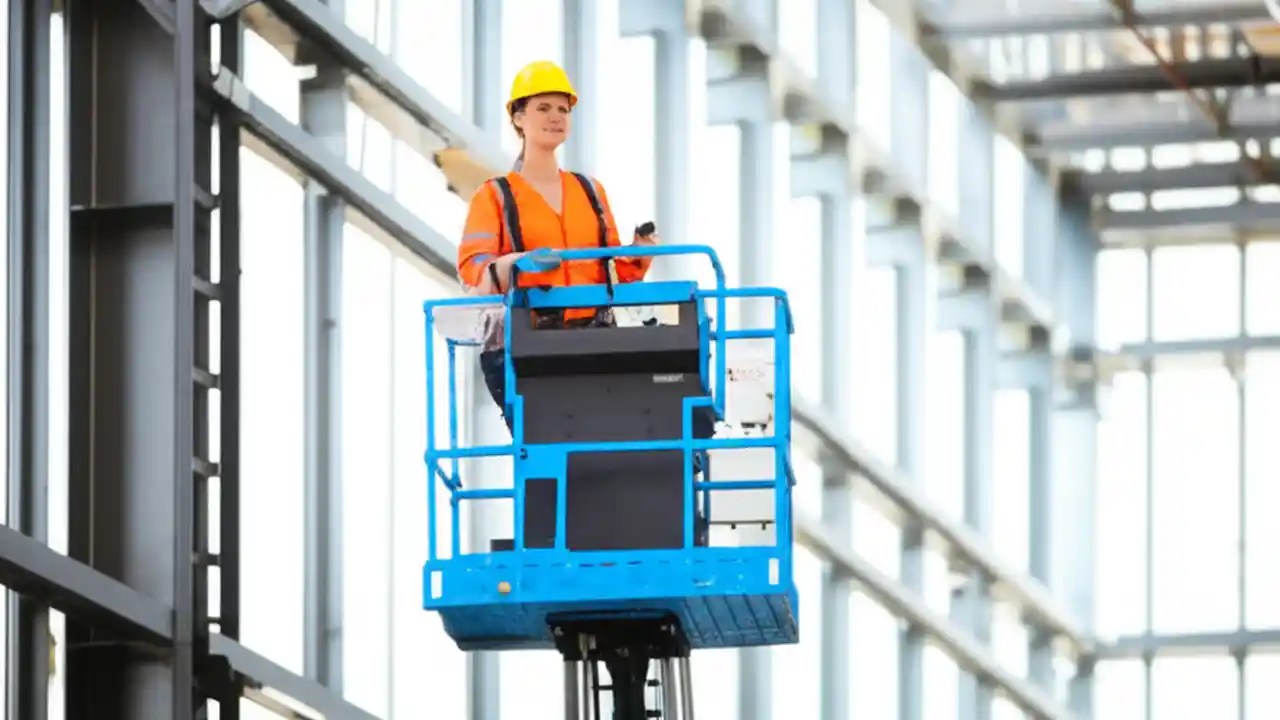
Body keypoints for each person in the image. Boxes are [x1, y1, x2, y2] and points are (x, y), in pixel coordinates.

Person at [456, 60, 659, 430]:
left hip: (595, 339)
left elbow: (614, 269)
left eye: (563, 109)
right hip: (526, 344)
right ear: (518, 118)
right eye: (543, 108)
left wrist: (639, 252)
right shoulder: (496, 196)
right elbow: (474, 270)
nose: (556, 117)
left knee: (608, 446)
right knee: (552, 445)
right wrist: (517, 263)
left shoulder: (590, 191)